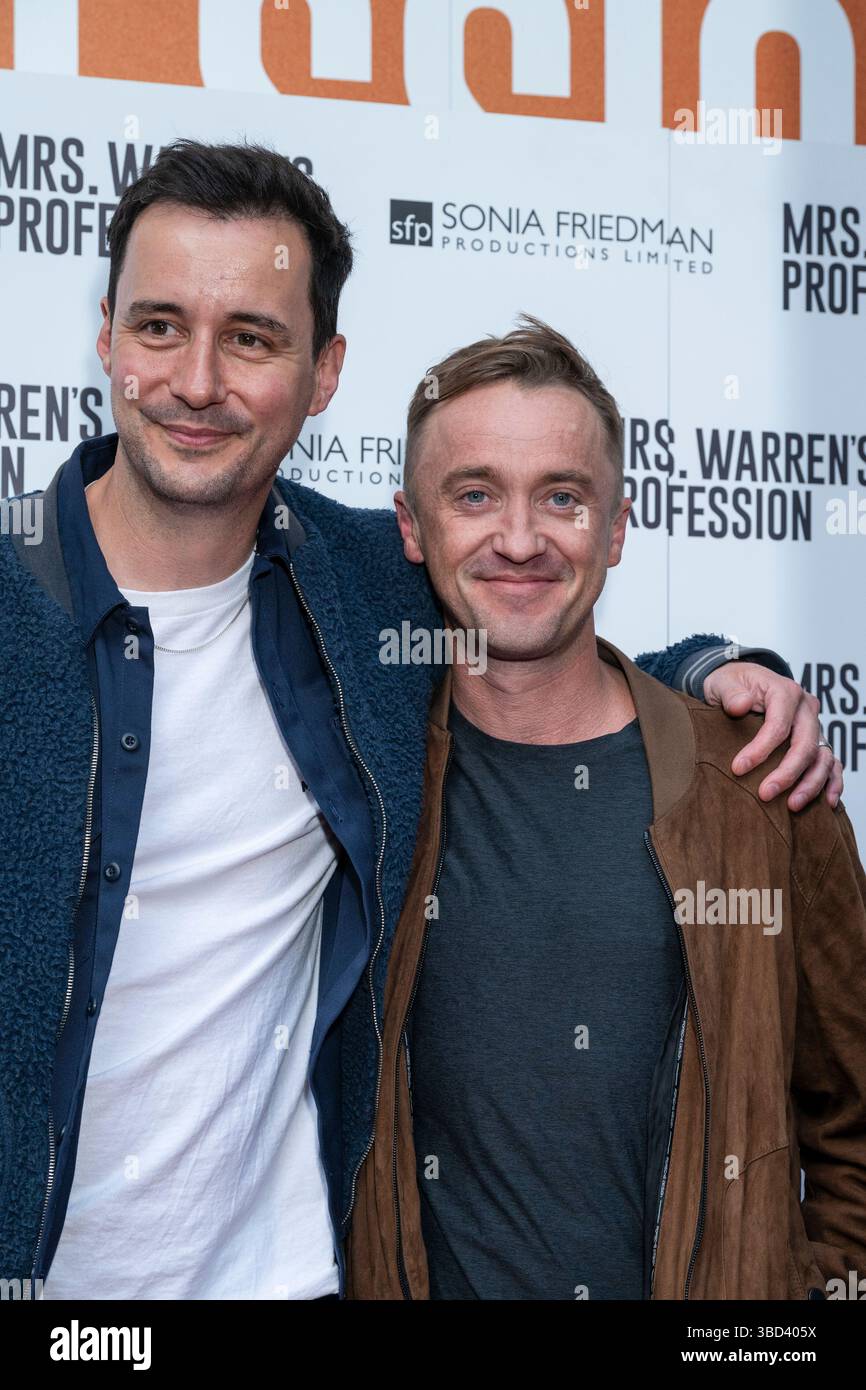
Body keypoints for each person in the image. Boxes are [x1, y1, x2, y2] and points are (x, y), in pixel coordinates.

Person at [0, 141, 839, 1301]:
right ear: (103, 338)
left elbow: (532, 627)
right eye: (157, 326)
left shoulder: (360, 590)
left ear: (323, 369)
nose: (198, 380)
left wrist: (714, 669)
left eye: (250, 336)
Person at [345, 316, 866, 1301]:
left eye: (562, 497)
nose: (518, 538)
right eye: (473, 494)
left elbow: (851, 1117)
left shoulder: (756, 788)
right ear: (410, 528)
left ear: (616, 526)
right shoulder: (361, 781)